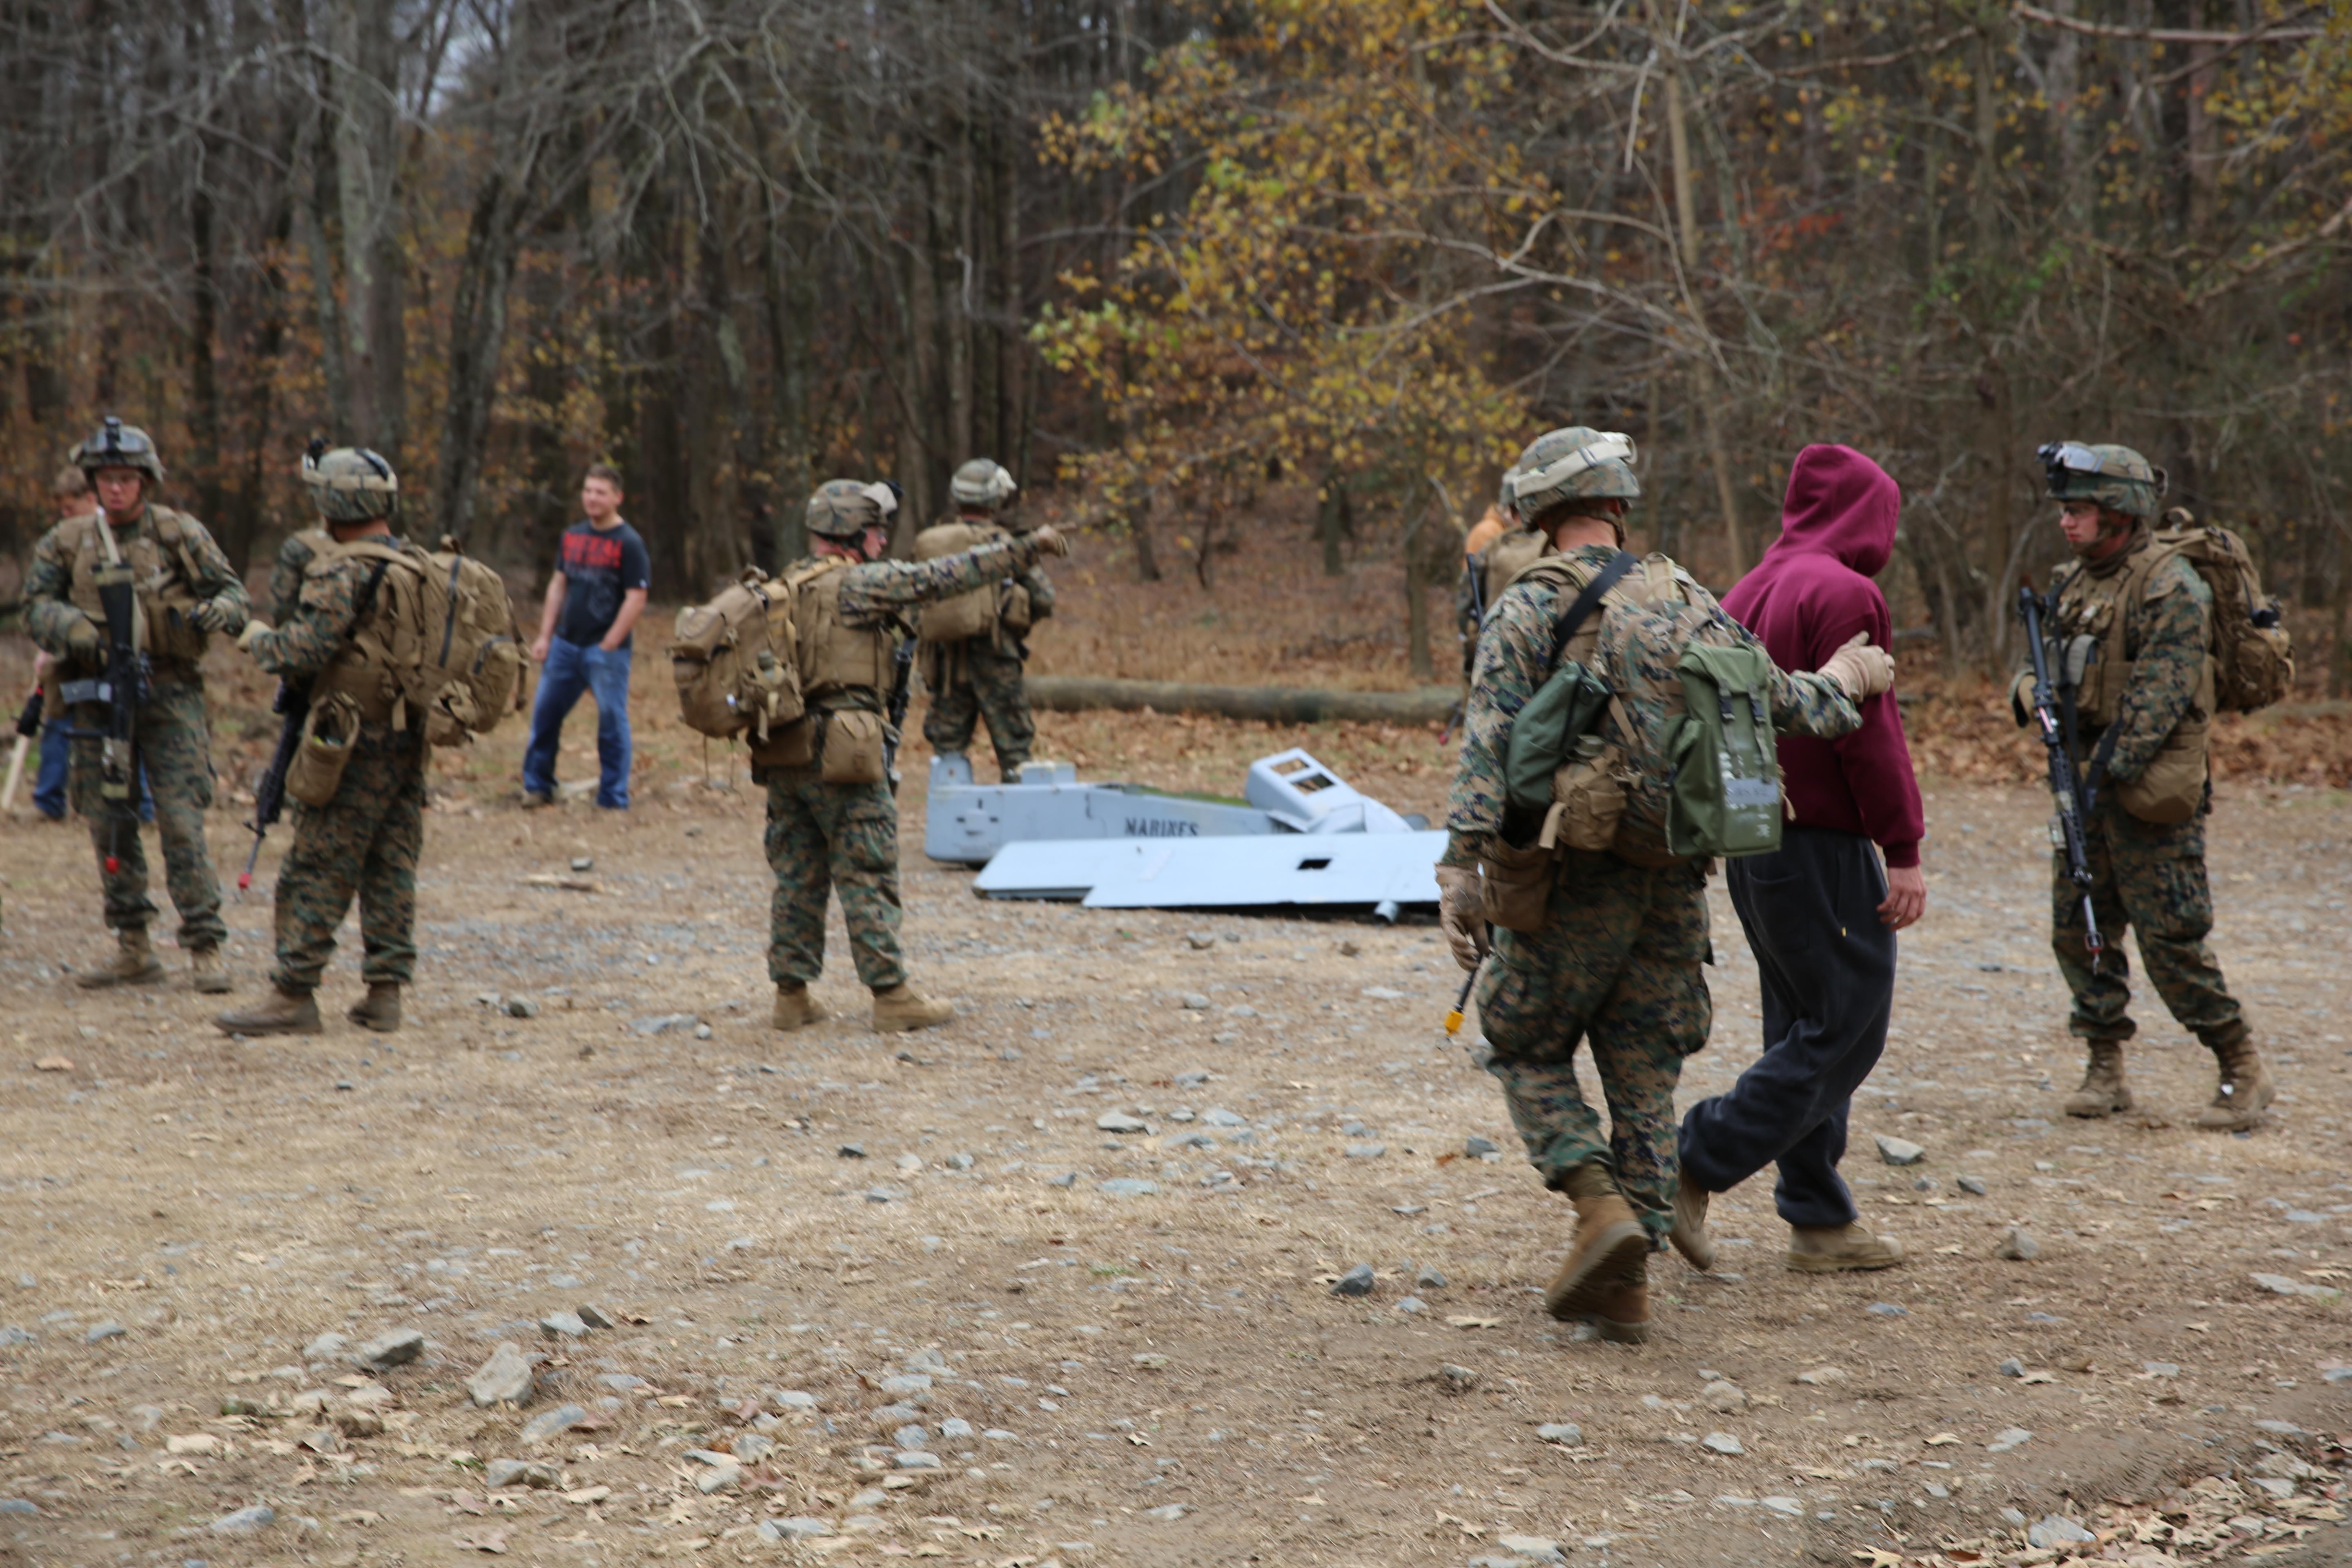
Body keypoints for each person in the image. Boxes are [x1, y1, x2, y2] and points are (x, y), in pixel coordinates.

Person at [1433, 425, 1890, 1345]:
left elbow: (1487, 747)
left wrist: (1460, 871)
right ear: (1614, 504)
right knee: (1645, 1078)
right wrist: (1848, 676)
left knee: (1522, 1042)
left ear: (1540, 510)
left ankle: (1598, 1206)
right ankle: (1628, 1278)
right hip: (1673, 879)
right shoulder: (1689, 600)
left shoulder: (1528, 608)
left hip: (1565, 881)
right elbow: (1785, 703)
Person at [1671, 445, 1926, 1278]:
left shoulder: (1746, 589)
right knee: (1844, 1026)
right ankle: (1694, 1157)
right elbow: (1869, 735)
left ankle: (1818, 1218)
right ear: (1867, 516)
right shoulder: (1848, 592)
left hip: (1754, 840)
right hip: (1825, 846)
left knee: (1800, 1022)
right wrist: (1904, 849)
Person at [2012, 441, 2269, 1131]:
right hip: (2084, 787)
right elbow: (2036, 675)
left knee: (2172, 938)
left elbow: (2160, 698)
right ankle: (2105, 1065)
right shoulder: (2072, 584)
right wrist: (2029, 694)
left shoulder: (2171, 586)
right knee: (2079, 928)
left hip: (2147, 792)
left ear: (2121, 514)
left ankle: (2240, 1065)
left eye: (2082, 511)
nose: (2068, 524)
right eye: (2066, 511)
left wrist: (2102, 774)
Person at [762, 479, 1070, 1033]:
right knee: (867, 867)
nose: (883, 540)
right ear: (854, 535)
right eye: (877, 531)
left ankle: (792, 995)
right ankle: (892, 996)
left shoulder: (784, 584)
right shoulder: (861, 584)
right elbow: (944, 576)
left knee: (797, 874)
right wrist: (1028, 547)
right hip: (844, 751)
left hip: (785, 749)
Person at [23, 419, 248, 992]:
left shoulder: (178, 532)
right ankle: (133, 944)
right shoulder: (68, 541)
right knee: (108, 821)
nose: (116, 489)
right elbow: (35, 606)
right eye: (106, 479)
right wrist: (72, 628)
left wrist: (211, 614)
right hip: (96, 697)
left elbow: (232, 592)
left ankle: (204, 946)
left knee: (180, 819)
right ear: (93, 482)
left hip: (170, 693)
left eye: (126, 478)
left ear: (145, 480)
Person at [214, 448, 428, 1036]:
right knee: (391, 861)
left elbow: (299, 651)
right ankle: (385, 993)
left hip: (348, 741)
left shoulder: (344, 571)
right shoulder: (417, 564)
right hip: (408, 737)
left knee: (317, 865)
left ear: (335, 503)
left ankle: (293, 995)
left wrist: (249, 632)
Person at [918, 459, 1056, 782]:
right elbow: (1045, 598)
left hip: (947, 664)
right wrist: (1017, 616)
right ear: (995, 499)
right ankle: (1019, 824)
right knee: (1015, 752)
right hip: (997, 659)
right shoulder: (1006, 545)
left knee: (947, 751)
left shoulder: (934, 544)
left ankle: (951, 821)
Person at [522, 464, 649, 808]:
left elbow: (637, 598)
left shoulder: (630, 543)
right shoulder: (573, 536)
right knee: (545, 716)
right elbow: (558, 585)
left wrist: (610, 642)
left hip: (606, 651)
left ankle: (612, 796)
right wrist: (545, 636)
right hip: (565, 646)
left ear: (617, 498)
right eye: (589, 491)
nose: (593, 498)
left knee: (611, 721)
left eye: (601, 492)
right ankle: (537, 786)